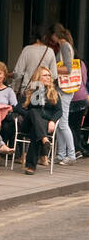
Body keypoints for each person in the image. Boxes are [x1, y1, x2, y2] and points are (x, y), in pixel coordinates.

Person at [18, 66, 63, 174]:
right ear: (38, 77)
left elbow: (59, 111)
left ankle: (31, 166)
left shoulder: (54, 93)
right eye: (45, 75)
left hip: (43, 126)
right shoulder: (29, 91)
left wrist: (52, 121)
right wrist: (28, 114)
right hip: (27, 124)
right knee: (34, 112)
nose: (48, 77)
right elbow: (18, 108)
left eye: (49, 75)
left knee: (36, 130)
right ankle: (44, 140)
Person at [51, 25, 78, 164]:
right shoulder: (65, 46)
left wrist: (52, 67)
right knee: (60, 122)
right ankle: (61, 154)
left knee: (63, 123)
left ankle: (71, 155)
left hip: (65, 90)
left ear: (56, 35)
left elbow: (68, 68)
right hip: (63, 89)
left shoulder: (65, 47)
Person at [11, 28, 57, 97]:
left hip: (27, 88)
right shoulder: (50, 51)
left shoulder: (27, 50)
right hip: (44, 90)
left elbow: (18, 73)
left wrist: (15, 90)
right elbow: (54, 75)